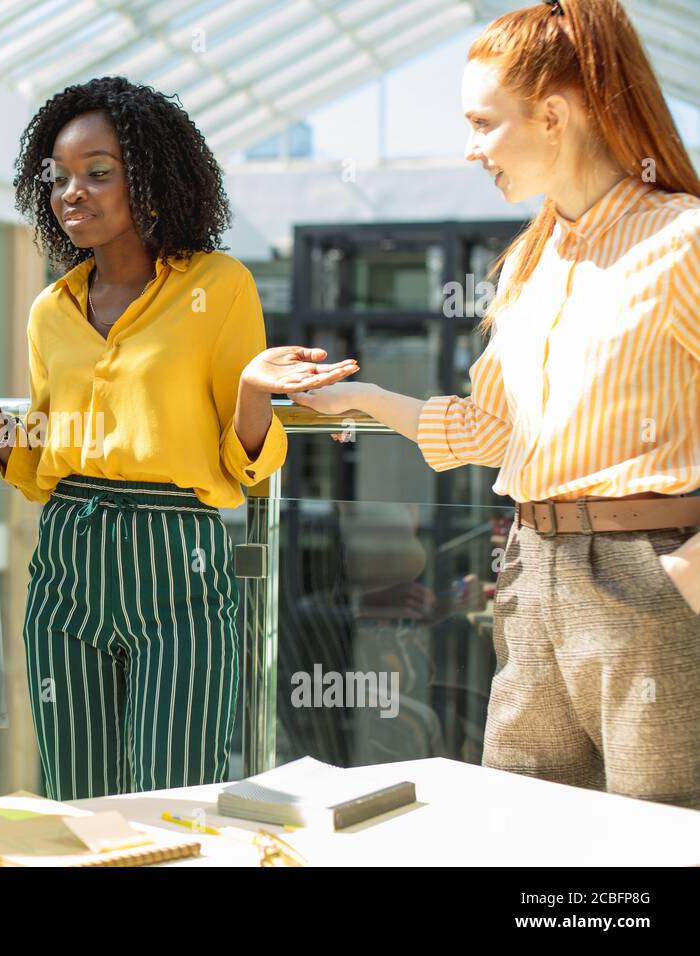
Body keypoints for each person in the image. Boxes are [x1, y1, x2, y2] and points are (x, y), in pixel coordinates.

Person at [0, 77, 357, 800]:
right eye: (59, 177)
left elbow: (243, 465)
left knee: (178, 793)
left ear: (151, 178)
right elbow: (36, 463)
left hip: (178, 563)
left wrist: (256, 390)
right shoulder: (49, 311)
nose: (73, 192)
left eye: (98, 173)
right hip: (67, 561)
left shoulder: (218, 288)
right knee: (81, 796)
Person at [292, 0, 700, 808]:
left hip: (650, 574)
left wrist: (687, 566)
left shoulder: (681, 241)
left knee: (661, 831)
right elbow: (494, 431)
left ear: (553, 115)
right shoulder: (527, 264)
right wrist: (364, 399)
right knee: (524, 823)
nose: (471, 148)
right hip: (529, 568)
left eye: (483, 123)